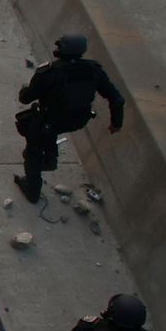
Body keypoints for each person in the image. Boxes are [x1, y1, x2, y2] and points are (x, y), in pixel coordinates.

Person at [14, 33, 124, 203]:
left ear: (62, 50)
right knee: (49, 131)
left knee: (33, 151)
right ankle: (50, 156)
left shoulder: (50, 72)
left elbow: (25, 98)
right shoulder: (94, 70)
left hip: (50, 120)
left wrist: (25, 89)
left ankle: (32, 189)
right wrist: (116, 124)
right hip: (77, 120)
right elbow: (117, 99)